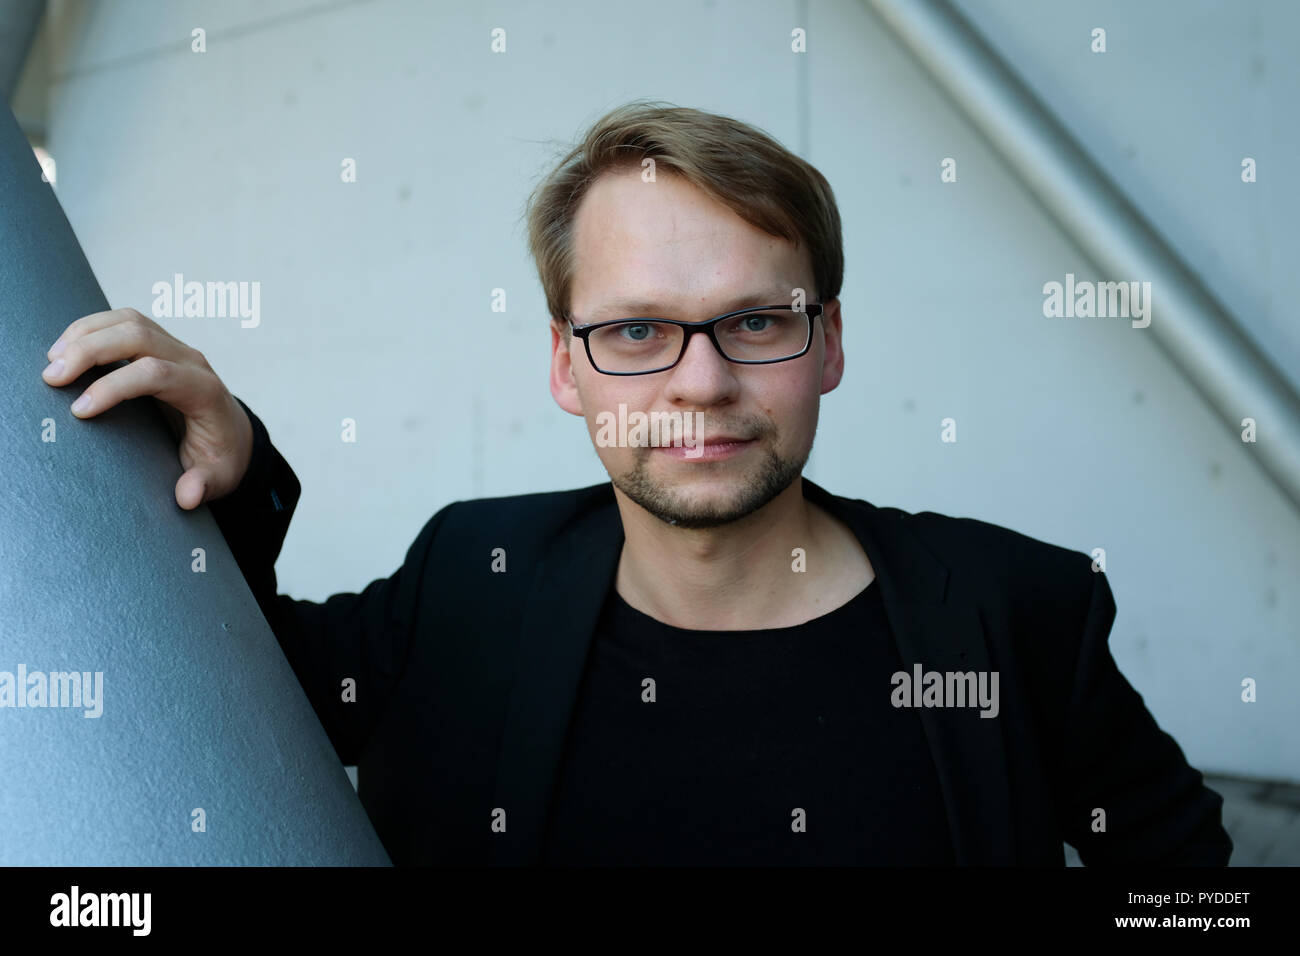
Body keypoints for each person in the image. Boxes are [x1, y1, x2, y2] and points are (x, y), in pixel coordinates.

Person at [38, 101, 1231, 866]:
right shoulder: (468, 581)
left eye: (756, 319)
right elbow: (209, 701)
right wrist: (226, 461)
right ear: (567, 364)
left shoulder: (1019, 608)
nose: (701, 382)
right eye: (637, 330)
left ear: (828, 342)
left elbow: (1190, 890)